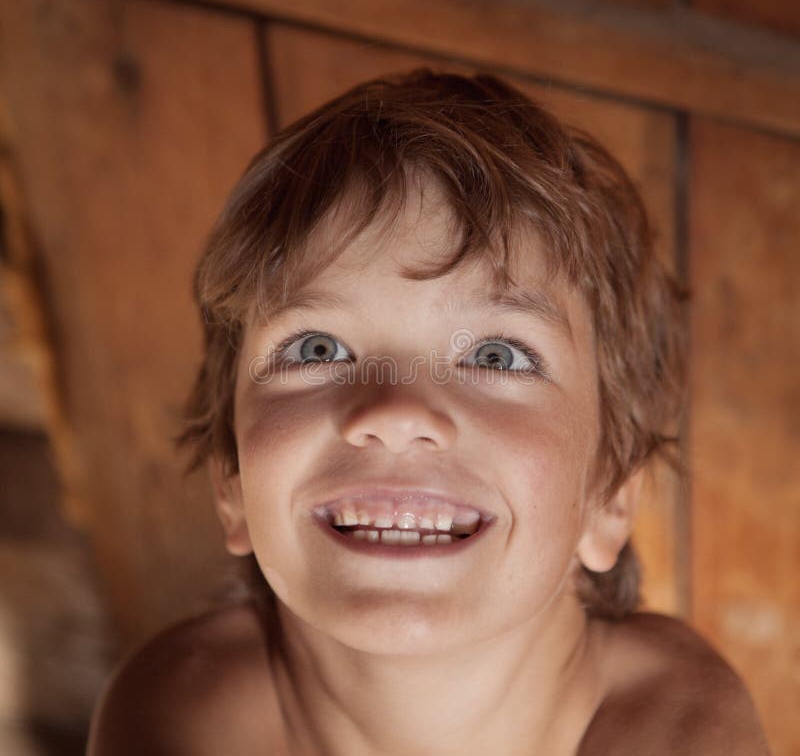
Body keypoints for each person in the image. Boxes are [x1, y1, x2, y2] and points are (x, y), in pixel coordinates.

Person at [87, 69, 770, 755]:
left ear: (610, 493)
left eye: (499, 356)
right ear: (230, 479)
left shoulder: (681, 723)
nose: (395, 411)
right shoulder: (179, 710)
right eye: (318, 347)